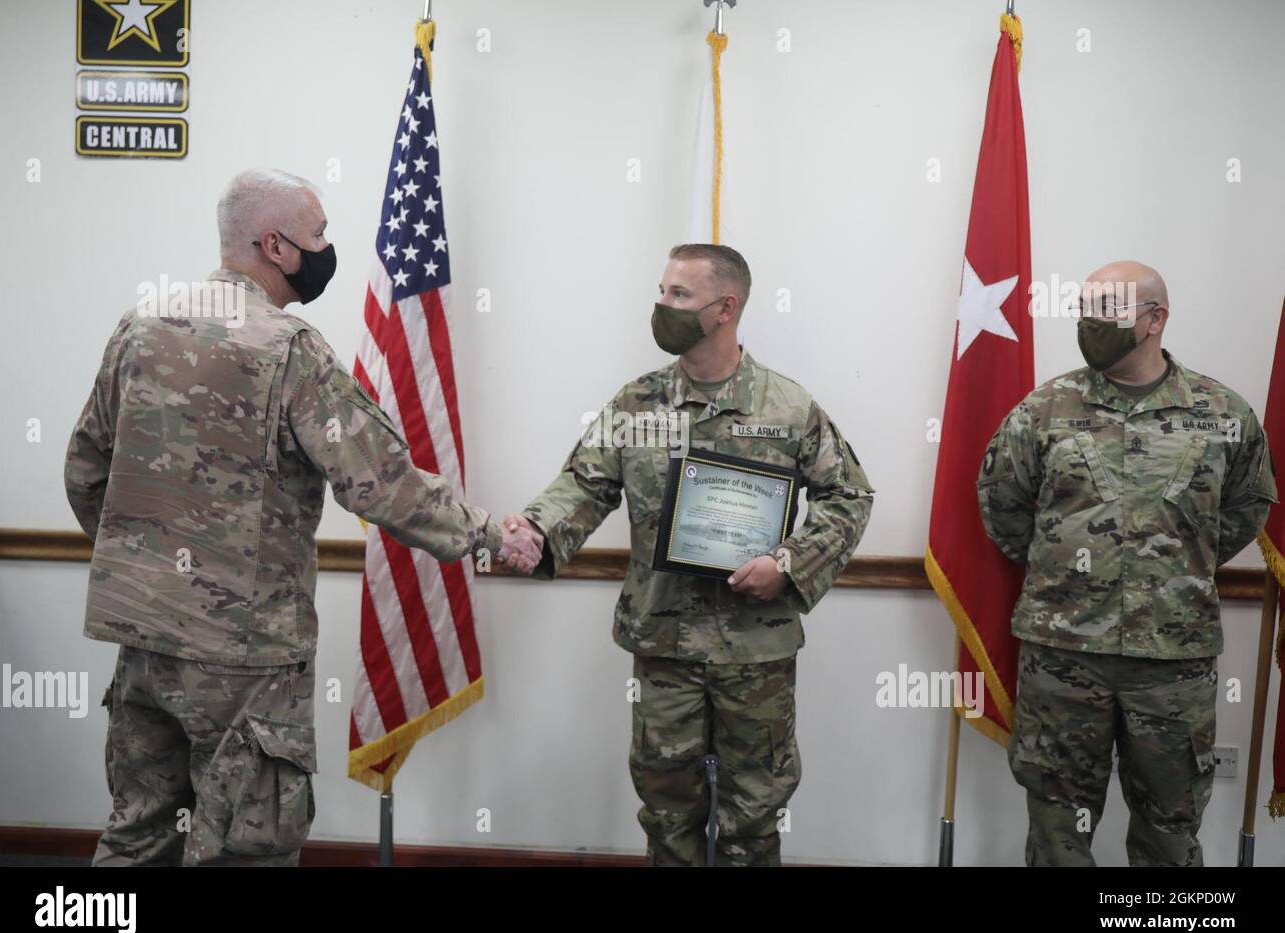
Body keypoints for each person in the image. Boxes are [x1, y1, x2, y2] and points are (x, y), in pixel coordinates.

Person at [64, 168, 539, 866]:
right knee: (247, 849)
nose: (326, 247)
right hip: (246, 655)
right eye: (317, 234)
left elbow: (84, 471)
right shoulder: (288, 347)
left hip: (141, 638)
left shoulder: (139, 328)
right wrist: (491, 534)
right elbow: (380, 483)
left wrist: (147, 566)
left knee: (138, 834)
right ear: (275, 244)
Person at [502, 243, 874, 865]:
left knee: (753, 817)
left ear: (725, 308)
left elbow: (850, 496)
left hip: (755, 651)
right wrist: (536, 531)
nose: (662, 305)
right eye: (661, 291)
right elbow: (584, 486)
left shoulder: (787, 407)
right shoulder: (635, 404)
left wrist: (788, 565)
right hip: (664, 645)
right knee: (667, 815)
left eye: (679, 295)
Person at [978, 259, 1277, 865]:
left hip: (1172, 661)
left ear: (1154, 320)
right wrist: (1069, 577)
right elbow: (1002, 505)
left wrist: (1170, 568)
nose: (1090, 323)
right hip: (1064, 658)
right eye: (1083, 310)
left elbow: (1246, 509)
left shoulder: (1223, 415)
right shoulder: (1044, 410)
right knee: (1058, 829)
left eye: (1106, 310)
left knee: (1170, 830)